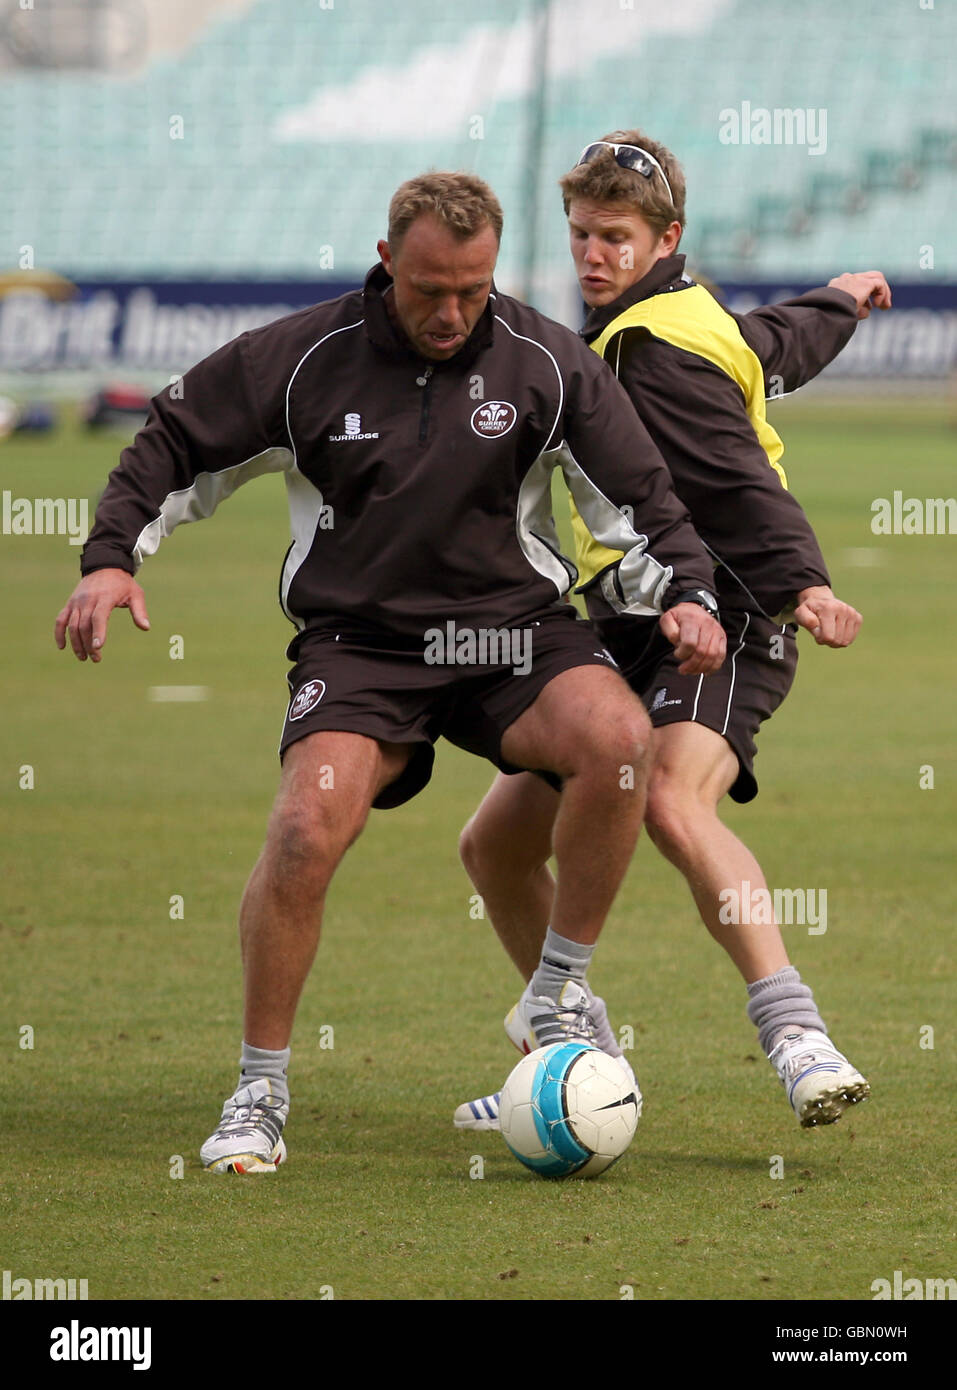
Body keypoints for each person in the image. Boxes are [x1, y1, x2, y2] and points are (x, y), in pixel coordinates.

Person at [55, 170, 726, 1173]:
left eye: (473, 289)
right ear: (386, 263)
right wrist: (113, 557)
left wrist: (689, 594)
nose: (453, 313)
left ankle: (556, 992)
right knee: (302, 830)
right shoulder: (303, 358)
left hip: (510, 635)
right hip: (363, 645)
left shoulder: (549, 361)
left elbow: (644, 497)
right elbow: (175, 440)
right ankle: (259, 1088)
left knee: (619, 738)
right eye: (429, 291)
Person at [455, 131, 891, 1133]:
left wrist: (804, 586)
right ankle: (581, 1057)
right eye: (580, 234)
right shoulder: (676, 317)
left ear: (666, 238)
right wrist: (844, 299)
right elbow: (772, 342)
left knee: (669, 801)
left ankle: (798, 1036)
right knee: (493, 848)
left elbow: (738, 487)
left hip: (727, 617)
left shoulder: (651, 350)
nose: (592, 253)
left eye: (614, 236)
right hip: (624, 624)